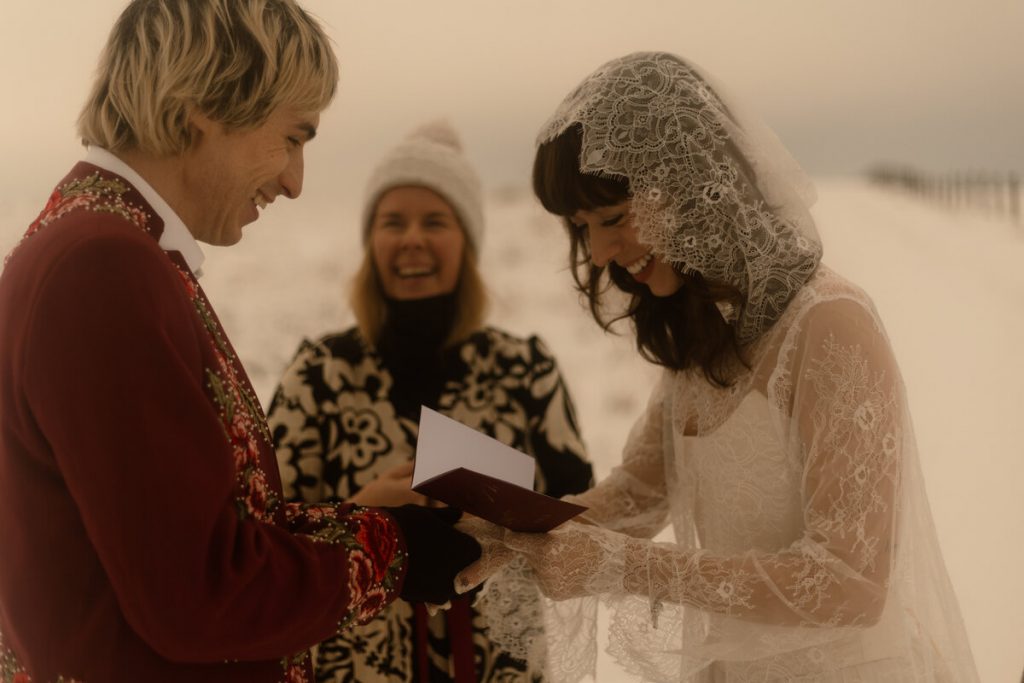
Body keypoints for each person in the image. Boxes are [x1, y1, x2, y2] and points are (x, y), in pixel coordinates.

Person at [456, 52, 979, 682]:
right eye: (581, 228)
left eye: (614, 219)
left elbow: (850, 583)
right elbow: (638, 495)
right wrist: (510, 531)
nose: (598, 254)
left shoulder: (830, 325)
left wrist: (622, 566)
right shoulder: (701, 331)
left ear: (690, 181)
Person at [0, 3, 480, 681]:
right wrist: (388, 550)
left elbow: (173, 535)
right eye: (291, 137)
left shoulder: (101, 243)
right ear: (205, 104)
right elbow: (195, 591)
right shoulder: (101, 267)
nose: (295, 180)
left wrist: (349, 524)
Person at [266, 120, 593, 682]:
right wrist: (362, 512)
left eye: (434, 221)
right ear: (372, 242)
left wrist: (502, 510)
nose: (411, 238)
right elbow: (268, 540)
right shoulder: (318, 375)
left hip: (501, 663)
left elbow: (582, 515)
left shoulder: (524, 370)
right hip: (357, 663)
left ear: (466, 240)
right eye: (392, 222)